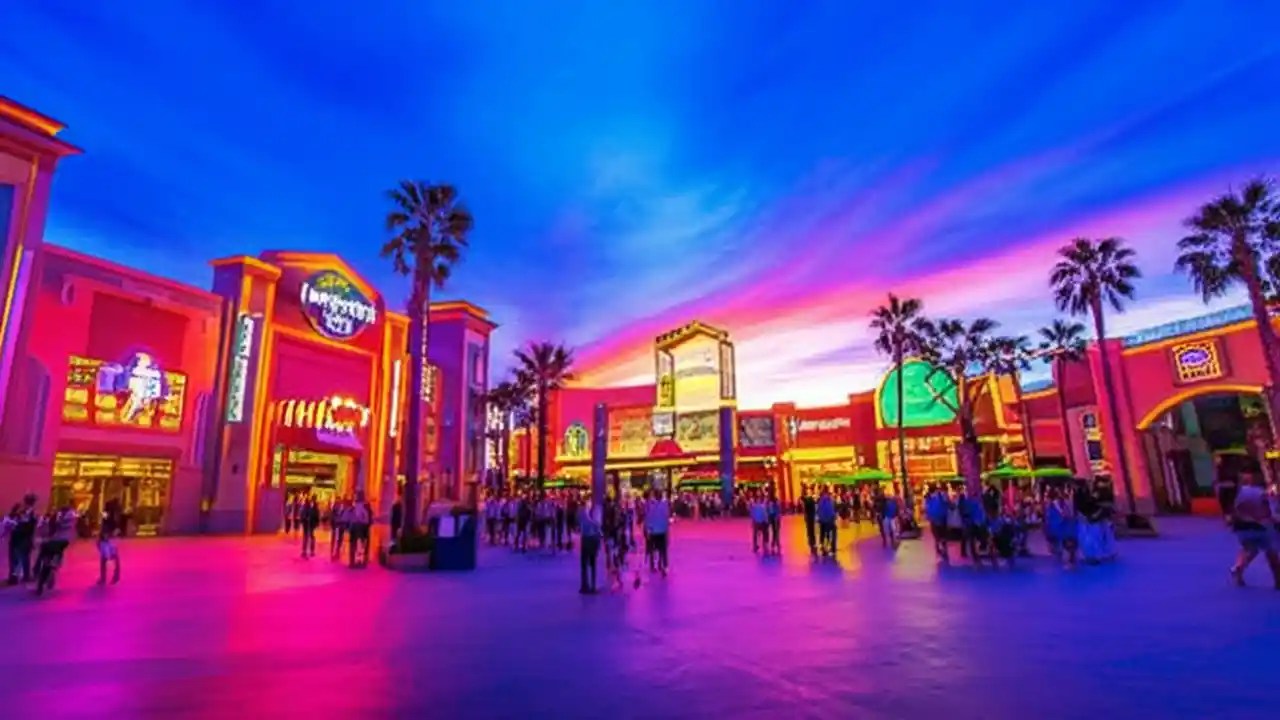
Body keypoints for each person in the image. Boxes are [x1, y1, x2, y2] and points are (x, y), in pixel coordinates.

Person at [1228, 471, 1280, 588]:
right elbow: (1271, 512)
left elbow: (1234, 510)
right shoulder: (1263, 493)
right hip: (1261, 526)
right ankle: (1278, 580)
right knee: (1271, 552)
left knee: (1249, 549)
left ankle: (1238, 567)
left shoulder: (1239, 493)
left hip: (1242, 527)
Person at [7, 494, 37, 585]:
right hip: (24, 538)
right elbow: (32, 528)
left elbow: (10, 519)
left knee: (15, 558)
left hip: (16, 537)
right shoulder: (31, 513)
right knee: (24, 558)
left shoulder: (18, 509)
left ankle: (14, 577)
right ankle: (24, 576)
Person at [578, 500, 603, 594]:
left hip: (586, 538)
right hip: (591, 539)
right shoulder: (595, 511)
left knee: (585, 563)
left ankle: (585, 585)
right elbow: (597, 525)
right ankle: (592, 585)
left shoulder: (583, 512)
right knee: (592, 563)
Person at [97, 498, 122, 585]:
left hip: (107, 534)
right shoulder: (117, 512)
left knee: (104, 557)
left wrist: (102, 534)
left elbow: (104, 522)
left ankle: (103, 578)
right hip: (114, 534)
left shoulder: (106, 512)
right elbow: (117, 523)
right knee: (114, 555)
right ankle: (116, 576)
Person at [646, 490, 670, 576]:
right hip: (661, 530)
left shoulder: (651, 504)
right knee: (663, 549)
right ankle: (664, 566)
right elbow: (667, 517)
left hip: (654, 530)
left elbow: (648, 517)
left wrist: (648, 529)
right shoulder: (664, 504)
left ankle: (655, 565)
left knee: (654, 549)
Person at [924, 485, 950, 562]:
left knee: (937, 536)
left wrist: (928, 517)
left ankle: (938, 548)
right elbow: (948, 505)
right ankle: (943, 549)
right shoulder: (942, 496)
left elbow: (927, 510)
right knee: (943, 535)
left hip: (934, 520)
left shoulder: (929, 499)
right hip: (942, 519)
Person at [347, 494, 373, 567]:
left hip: (359, 529)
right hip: (359, 529)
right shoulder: (362, 509)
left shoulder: (358, 509)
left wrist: (357, 521)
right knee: (358, 545)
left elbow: (366, 520)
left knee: (357, 545)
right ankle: (356, 561)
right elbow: (366, 520)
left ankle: (356, 561)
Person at [816, 488, 837, 558]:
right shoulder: (829, 501)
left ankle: (823, 547)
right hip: (829, 521)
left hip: (822, 521)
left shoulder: (820, 502)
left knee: (823, 534)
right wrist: (834, 518)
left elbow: (818, 511)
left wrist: (819, 519)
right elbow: (832, 512)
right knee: (832, 534)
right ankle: (832, 549)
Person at [801, 487, 818, 556]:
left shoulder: (807, 500)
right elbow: (813, 508)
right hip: (811, 516)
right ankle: (812, 541)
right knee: (811, 529)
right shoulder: (811, 500)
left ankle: (811, 541)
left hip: (809, 516)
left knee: (809, 529)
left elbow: (806, 508)